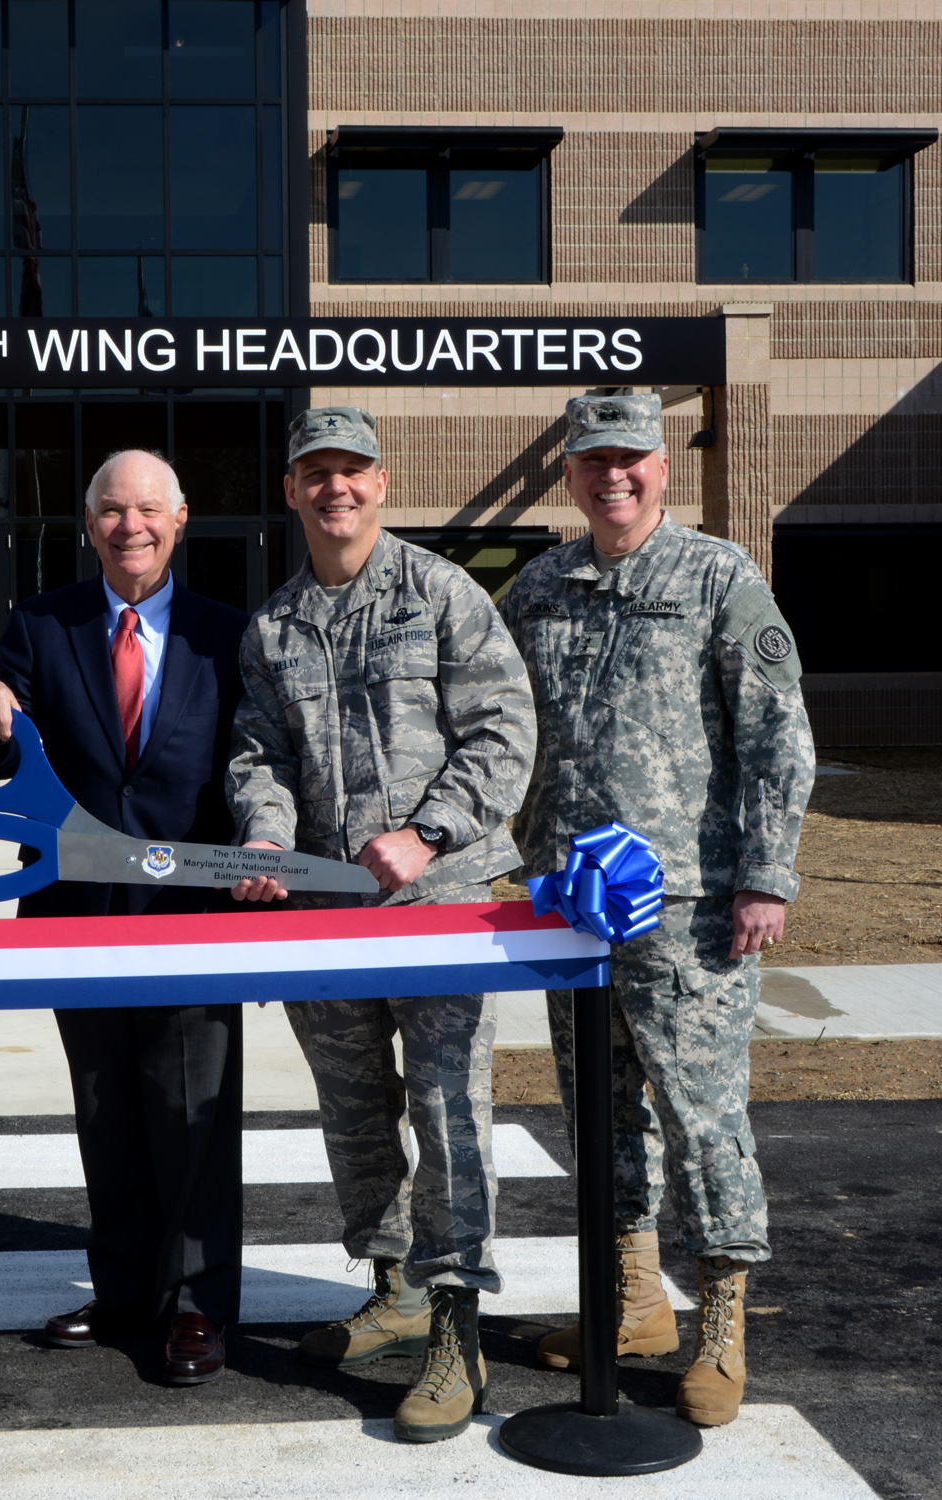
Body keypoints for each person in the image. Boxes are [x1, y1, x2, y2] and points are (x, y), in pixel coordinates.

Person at [499, 393, 814, 1428]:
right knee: (599, 1115)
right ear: (572, 475)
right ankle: (630, 1305)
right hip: (568, 908)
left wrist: (766, 874)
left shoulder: (718, 575)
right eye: (593, 461)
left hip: (692, 906)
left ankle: (722, 1320)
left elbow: (778, 732)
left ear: (663, 465)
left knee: (704, 1118)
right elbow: (500, 728)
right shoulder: (540, 586)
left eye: (630, 458)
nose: (612, 476)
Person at [229, 407, 536, 1445]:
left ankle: (457, 1327)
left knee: (452, 1114)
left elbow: (504, 733)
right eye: (316, 473)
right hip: (325, 912)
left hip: (443, 902)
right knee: (355, 1113)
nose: (336, 490)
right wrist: (265, 838)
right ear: (292, 489)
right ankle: (394, 1285)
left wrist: (428, 832)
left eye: (352, 472)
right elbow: (258, 753)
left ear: (382, 481)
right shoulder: (272, 625)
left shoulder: (442, 594)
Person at [0, 449, 248, 1385]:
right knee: (107, 1113)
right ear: (89, 525)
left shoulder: (229, 634)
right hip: (76, 917)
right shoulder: (39, 627)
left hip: (191, 916)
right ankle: (124, 1293)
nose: (132, 526)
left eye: (149, 509)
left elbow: (249, 773)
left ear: (182, 518)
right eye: (113, 511)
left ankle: (196, 1308)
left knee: (193, 1115)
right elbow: (4, 769)